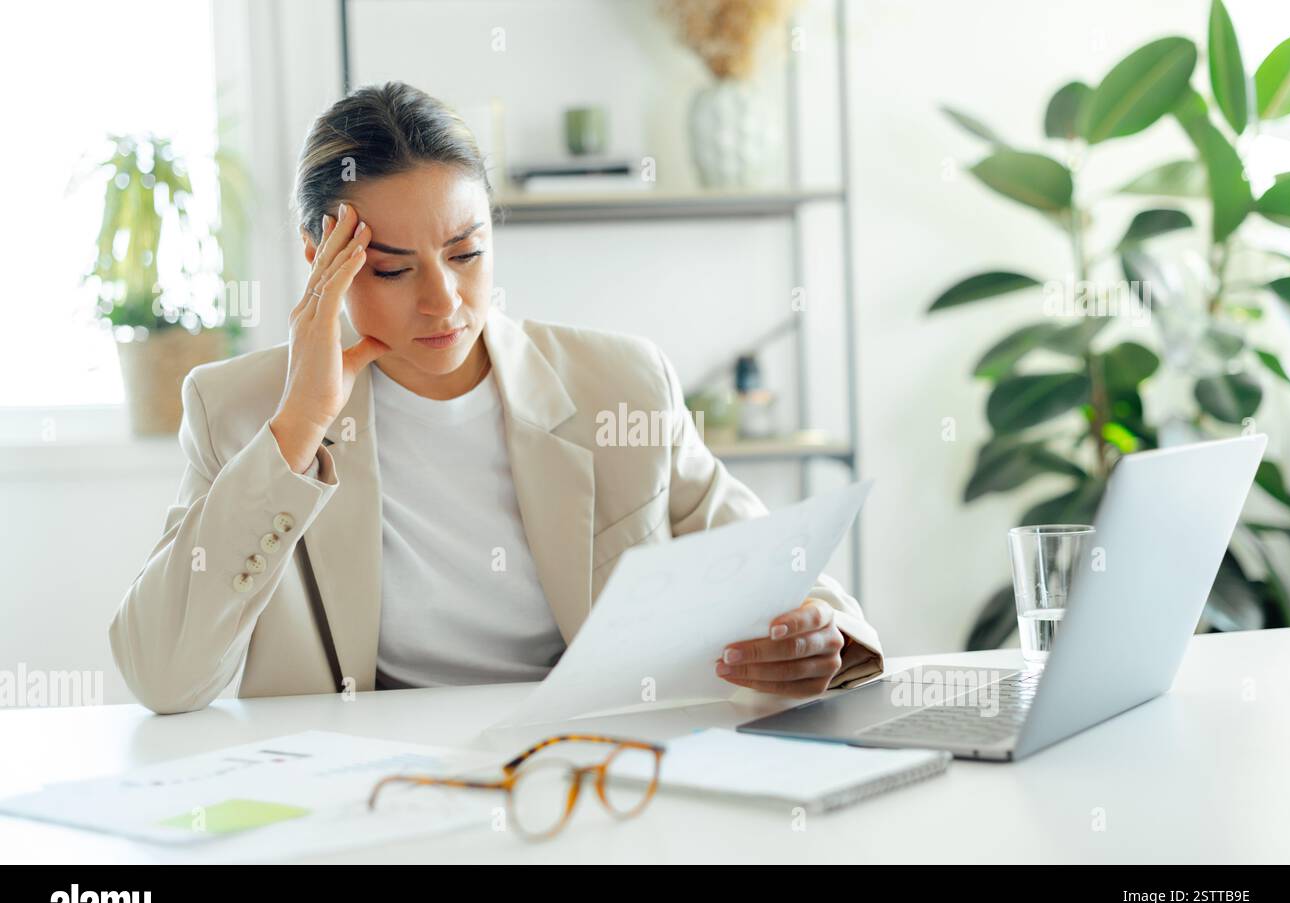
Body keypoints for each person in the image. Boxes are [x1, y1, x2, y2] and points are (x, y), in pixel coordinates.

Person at [108, 81, 883, 715]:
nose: (443, 302)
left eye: (467, 252)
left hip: (584, 769)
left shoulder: (619, 383)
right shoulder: (238, 409)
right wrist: (298, 428)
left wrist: (823, 636)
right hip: (363, 793)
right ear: (321, 258)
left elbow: (772, 562)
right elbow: (165, 678)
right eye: (392, 269)